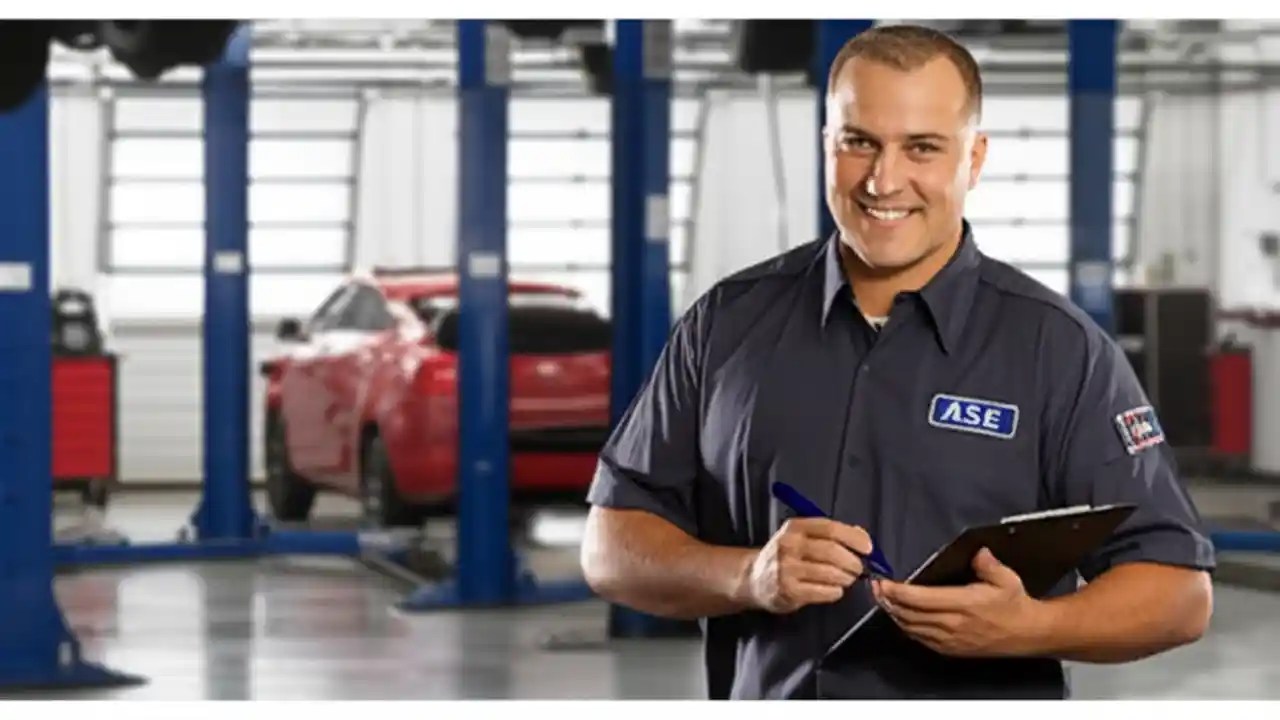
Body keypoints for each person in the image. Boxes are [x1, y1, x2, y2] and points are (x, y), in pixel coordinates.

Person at [579, 24, 1215, 700]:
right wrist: (747, 576)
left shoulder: (1058, 351)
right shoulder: (726, 326)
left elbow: (1179, 591)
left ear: (974, 159)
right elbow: (612, 546)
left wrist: (1032, 626)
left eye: (922, 148)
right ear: (828, 146)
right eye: (859, 143)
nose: (884, 180)